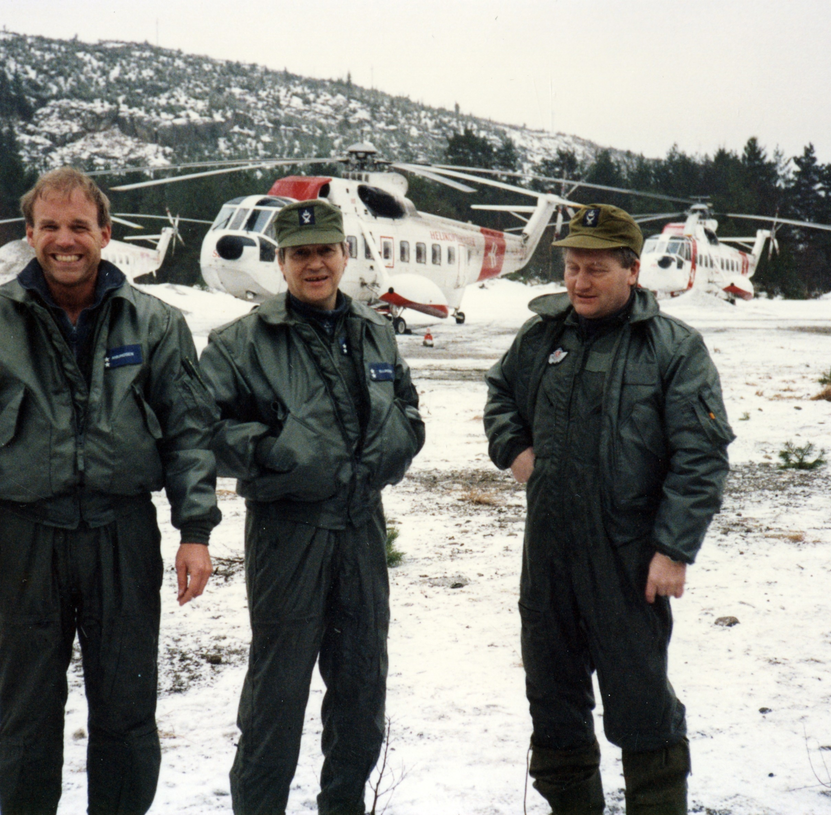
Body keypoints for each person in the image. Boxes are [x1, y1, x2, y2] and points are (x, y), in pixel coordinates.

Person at [0, 167, 221, 815]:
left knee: (127, 712)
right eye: (50, 226)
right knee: (27, 715)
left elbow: (189, 434)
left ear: (105, 234)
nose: (65, 240)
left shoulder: (156, 324)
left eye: (79, 226)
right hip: (29, 536)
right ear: (30, 234)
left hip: (124, 533)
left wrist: (194, 531)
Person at [483, 204, 733, 815]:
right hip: (547, 558)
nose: (579, 282)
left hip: (629, 560)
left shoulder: (672, 347)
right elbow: (500, 397)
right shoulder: (542, 336)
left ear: (632, 269)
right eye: (572, 268)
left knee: (643, 705)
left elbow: (700, 456)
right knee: (554, 703)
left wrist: (674, 550)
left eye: (595, 269)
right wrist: (515, 450)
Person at [199, 198, 425, 815]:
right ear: (282, 262)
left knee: (360, 692)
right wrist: (277, 452)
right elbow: (204, 430)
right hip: (288, 533)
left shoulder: (375, 333)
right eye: (300, 254)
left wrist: (397, 443)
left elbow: (407, 408)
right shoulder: (241, 342)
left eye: (325, 250)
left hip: (360, 528)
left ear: (344, 255)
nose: (315, 264)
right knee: (277, 699)